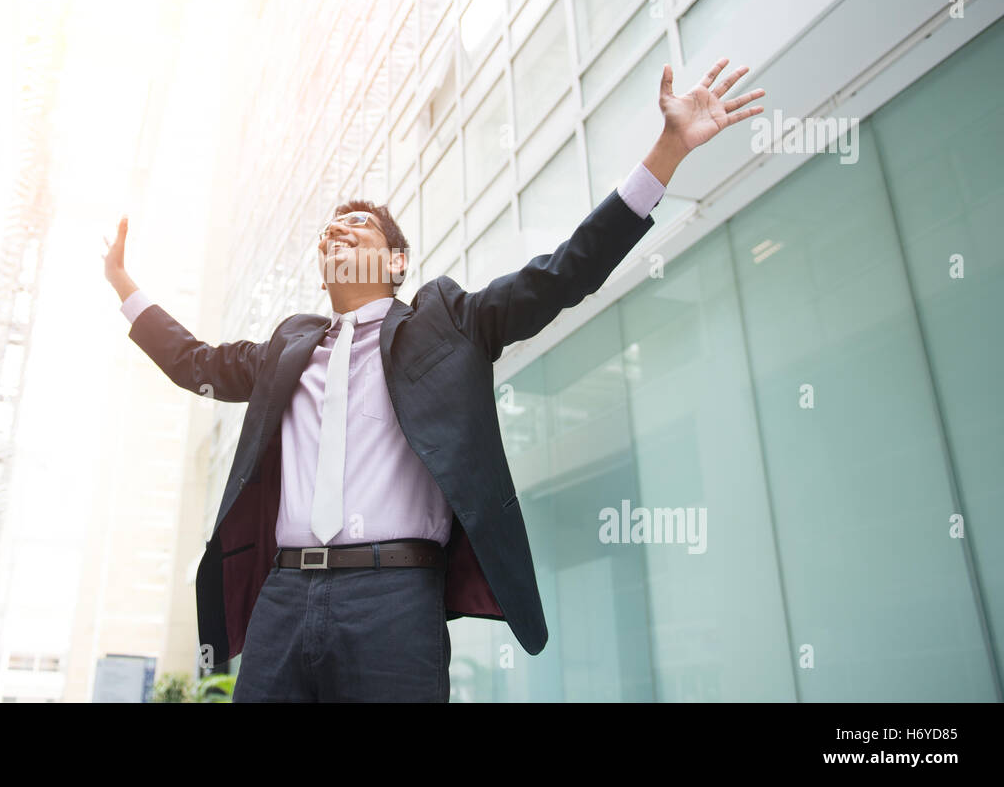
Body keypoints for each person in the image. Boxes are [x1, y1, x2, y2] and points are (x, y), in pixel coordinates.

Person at [101, 59, 764, 701]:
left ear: (396, 259)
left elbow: (564, 273)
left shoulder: (447, 322)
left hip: (394, 599)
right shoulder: (287, 347)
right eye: (330, 227)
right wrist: (125, 286)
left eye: (356, 223)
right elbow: (197, 362)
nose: (336, 228)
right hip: (283, 597)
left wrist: (666, 155)